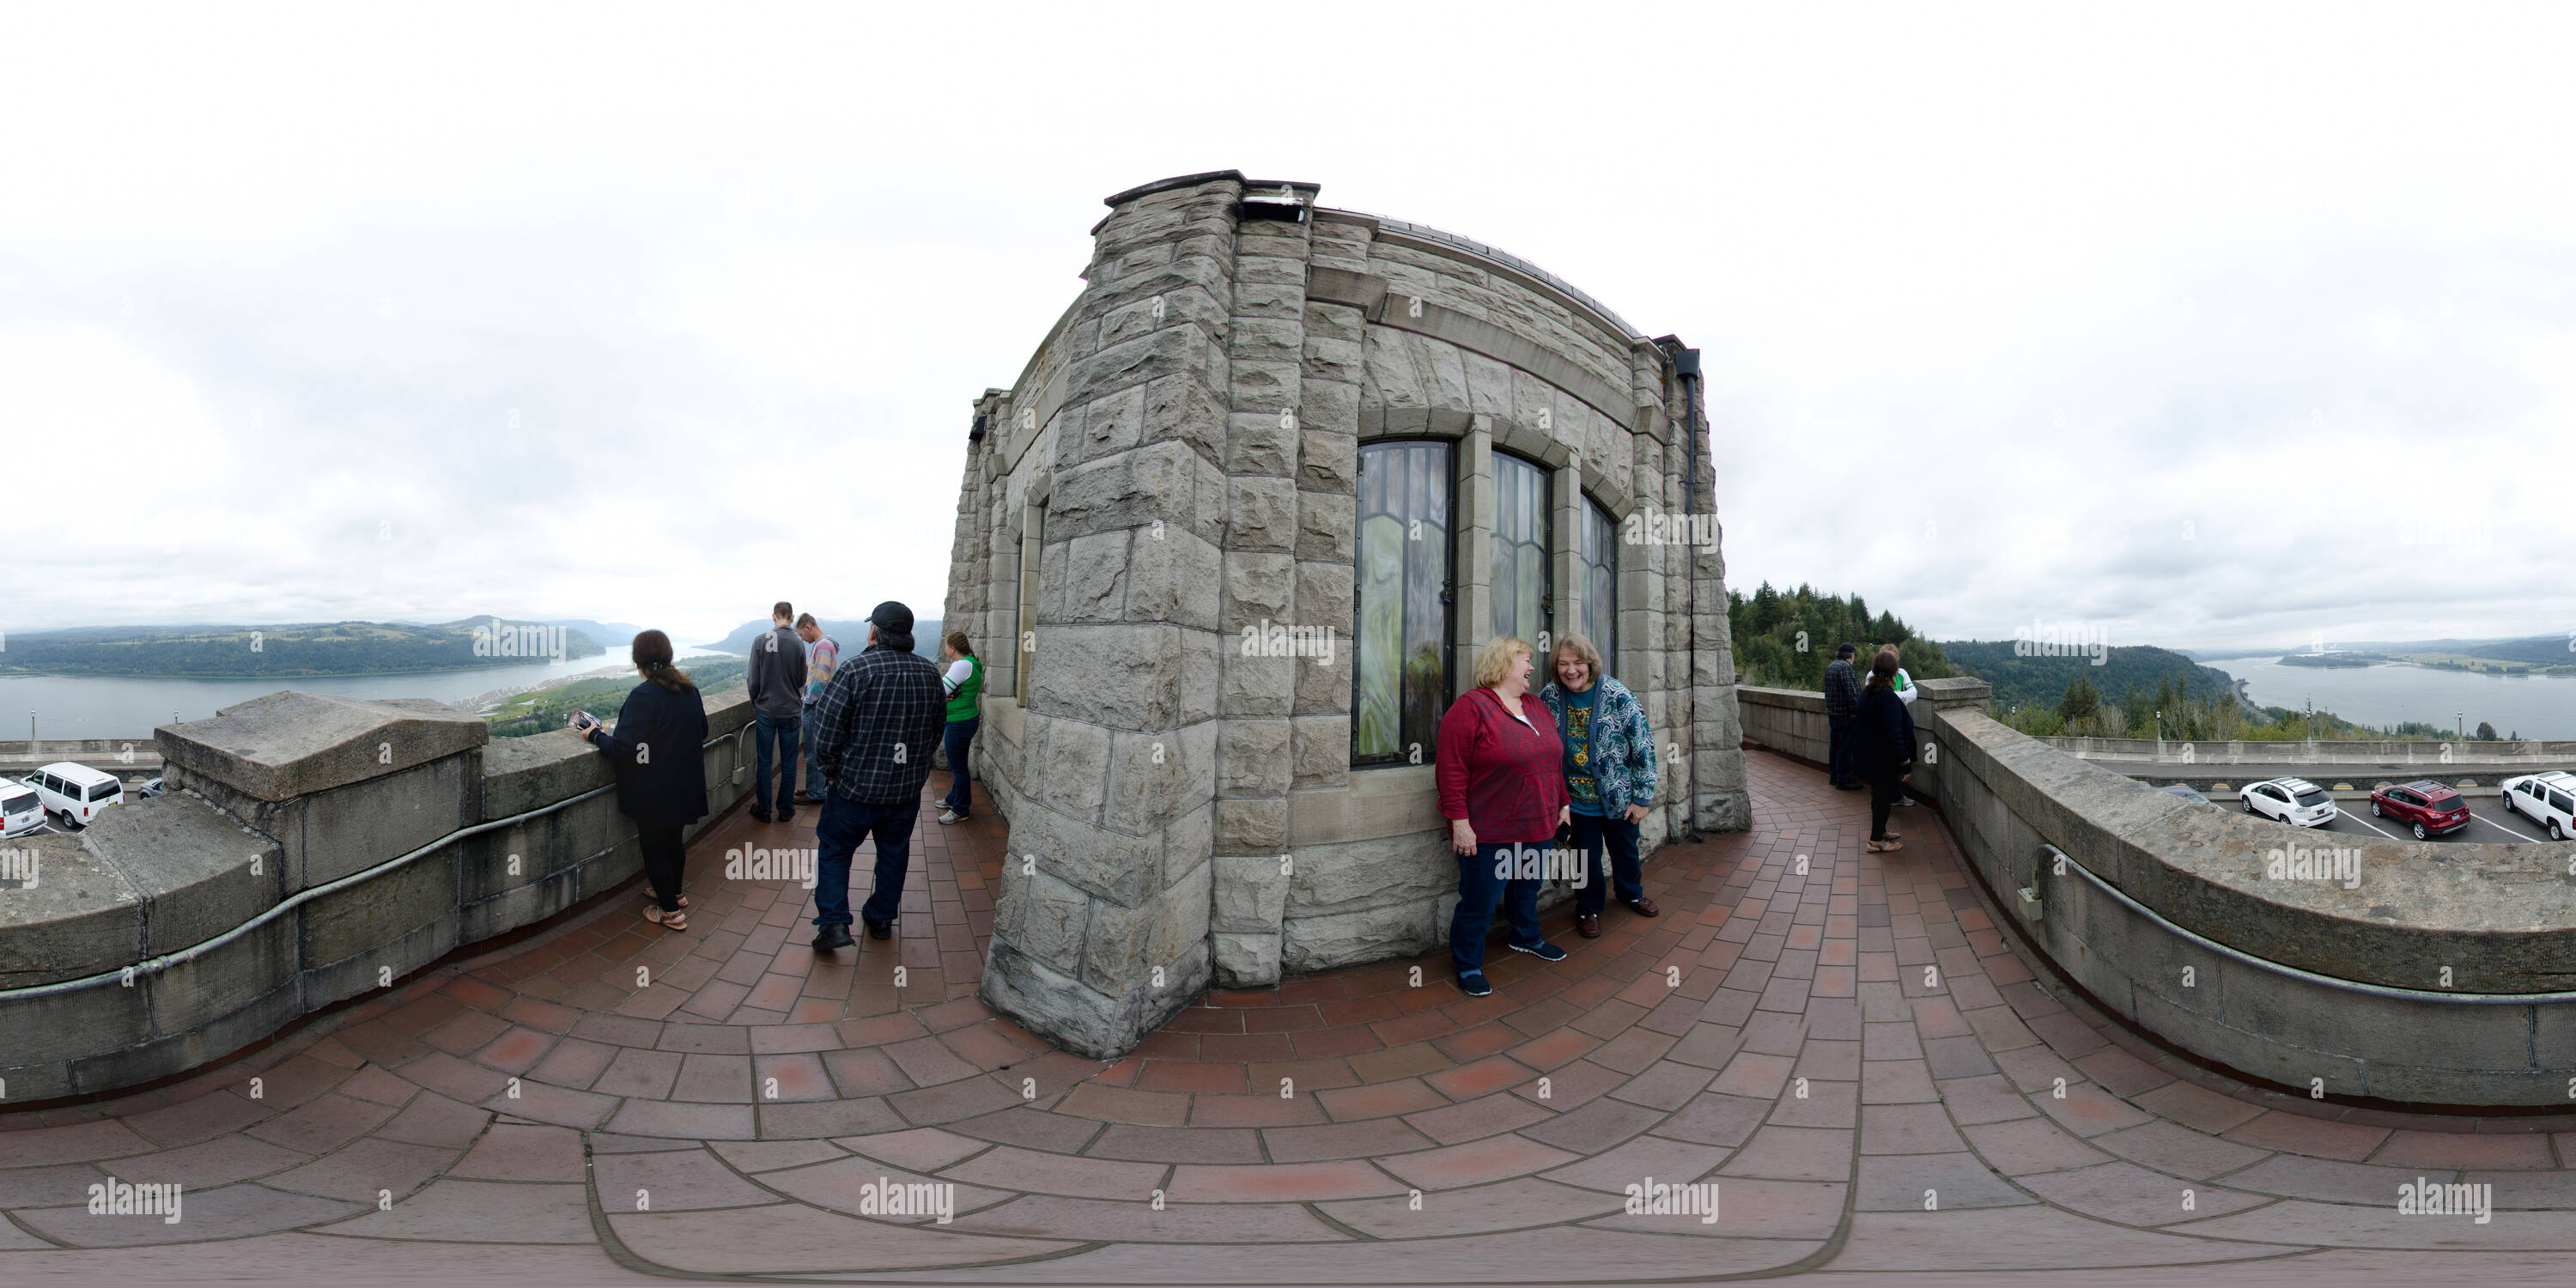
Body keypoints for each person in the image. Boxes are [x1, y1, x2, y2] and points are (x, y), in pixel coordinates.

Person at [805, 601, 946, 951]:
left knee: (835, 851)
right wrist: (914, 771)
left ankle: (834, 924)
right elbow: (935, 731)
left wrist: (832, 772)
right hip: (903, 793)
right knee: (894, 854)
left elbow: (825, 733)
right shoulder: (930, 674)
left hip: (854, 789)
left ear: (874, 632)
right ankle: (881, 917)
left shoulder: (855, 671)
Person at [1436, 635, 1572, 998]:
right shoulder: (1470, 709)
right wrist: (1460, 824)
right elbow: (1451, 772)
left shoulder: (1537, 705)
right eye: (1525, 661)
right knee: (1480, 900)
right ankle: (1467, 963)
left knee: (1527, 889)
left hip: (1539, 823)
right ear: (1503, 664)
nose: (1532, 668)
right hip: (1490, 829)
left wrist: (1563, 805)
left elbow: (1553, 759)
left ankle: (1525, 937)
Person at [570, 630, 708, 932]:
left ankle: (671, 913)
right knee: (674, 842)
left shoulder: (643, 696)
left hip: (656, 791)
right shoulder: (689, 690)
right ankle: (676, 894)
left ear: (638, 662)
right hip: (685, 784)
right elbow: (702, 730)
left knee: (655, 848)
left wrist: (594, 734)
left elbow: (622, 748)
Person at [1540, 632, 1660, 939]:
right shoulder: (1550, 697)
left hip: (1619, 798)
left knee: (1625, 851)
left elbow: (1643, 745)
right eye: (1563, 663)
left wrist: (1643, 797)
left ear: (1589, 663)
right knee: (1585, 859)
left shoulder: (1618, 694)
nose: (1571, 670)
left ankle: (1630, 893)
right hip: (1576, 802)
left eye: (1577, 662)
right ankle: (1588, 908)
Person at [745, 600, 806, 824]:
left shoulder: (760, 641)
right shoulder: (799, 644)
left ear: (773, 617)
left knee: (764, 761)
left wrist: (757, 701)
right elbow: (801, 679)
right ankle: (786, 809)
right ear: (791, 618)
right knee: (789, 762)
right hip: (790, 710)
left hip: (766, 710)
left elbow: (753, 679)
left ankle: (764, 809)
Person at [1855, 646, 1918, 854]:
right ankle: (1876, 842)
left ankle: (1881, 832)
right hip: (1884, 759)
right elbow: (1894, 733)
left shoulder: (1867, 694)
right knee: (1883, 799)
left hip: (1869, 755)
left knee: (1879, 797)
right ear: (1893, 673)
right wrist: (1905, 762)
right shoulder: (1888, 697)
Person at [936, 630, 982, 824]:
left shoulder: (961, 665)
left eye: (946, 645)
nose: (945, 648)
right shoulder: (970, 663)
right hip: (967, 718)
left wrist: (947, 694)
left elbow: (940, 690)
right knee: (959, 764)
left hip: (959, 721)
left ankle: (960, 809)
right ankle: (953, 798)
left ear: (952, 648)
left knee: (959, 768)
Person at [794, 613, 840, 805]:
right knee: (815, 750)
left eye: (801, 635)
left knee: (813, 751)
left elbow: (819, 680)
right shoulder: (827, 645)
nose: (802, 640)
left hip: (815, 706)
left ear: (808, 627)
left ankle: (816, 793)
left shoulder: (822, 646)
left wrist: (807, 700)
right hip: (821, 705)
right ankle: (815, 786)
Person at [1823, 643, 1863, 790]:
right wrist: (1856, 712)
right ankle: (1844, 779)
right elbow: (1852, 694)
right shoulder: (1845, 668)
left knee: (1835, 747)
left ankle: (1834, 776)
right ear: (1851, 655)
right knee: (1845, 749)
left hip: (1833, 715)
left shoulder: (1831, 666)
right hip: (1845, 717)